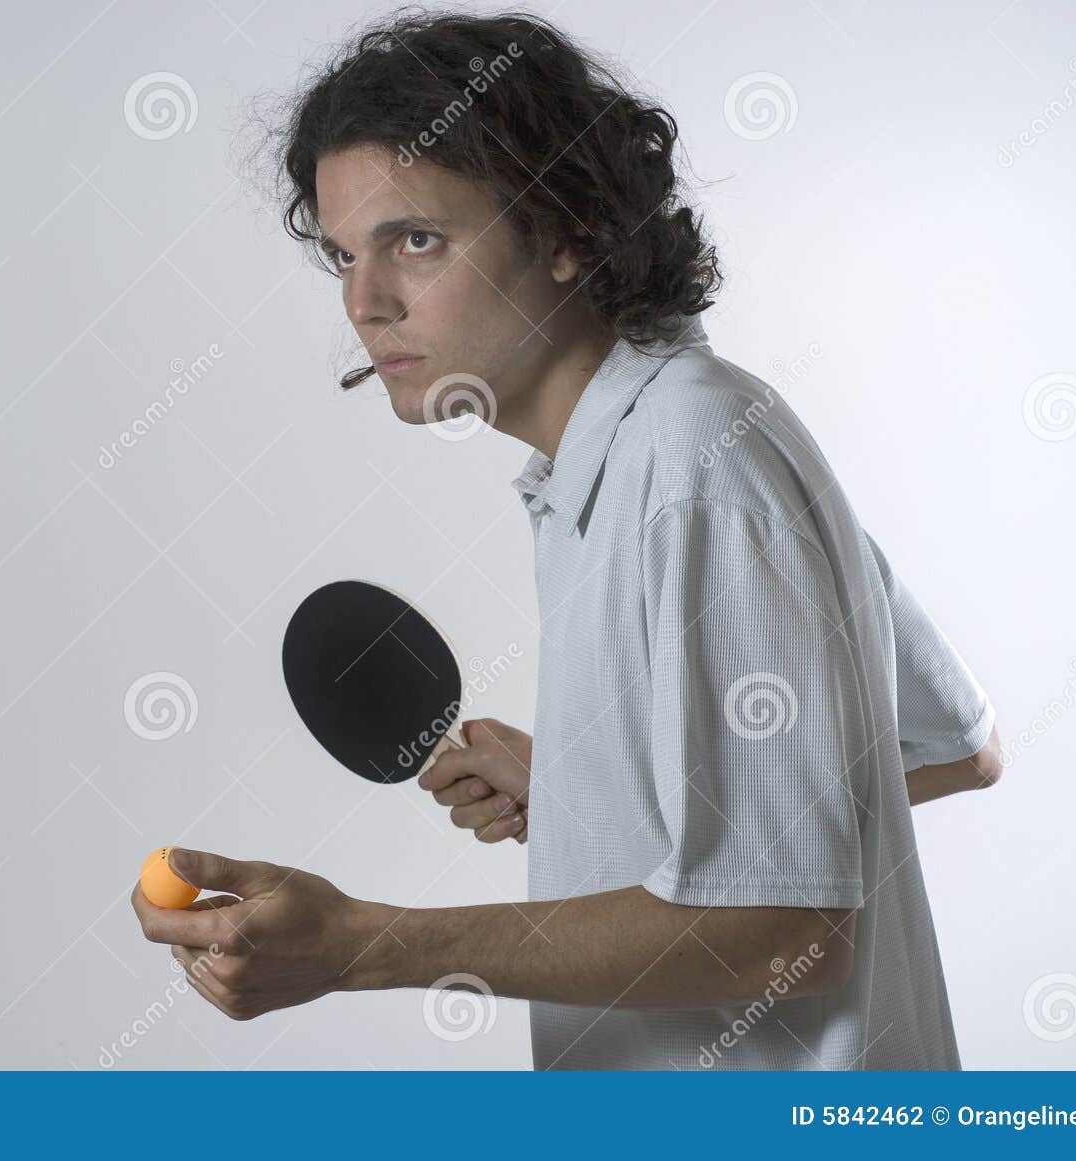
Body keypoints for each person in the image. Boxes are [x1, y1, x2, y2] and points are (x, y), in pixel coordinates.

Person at [132, 7, 1002, 1070]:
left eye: (416, 240)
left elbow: (786, 931)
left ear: (566, 235)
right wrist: (623, 799)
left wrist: (365, 946)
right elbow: (951, 748)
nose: (364, 301)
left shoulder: (690, 469)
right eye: (342, 255)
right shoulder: (661, 448)